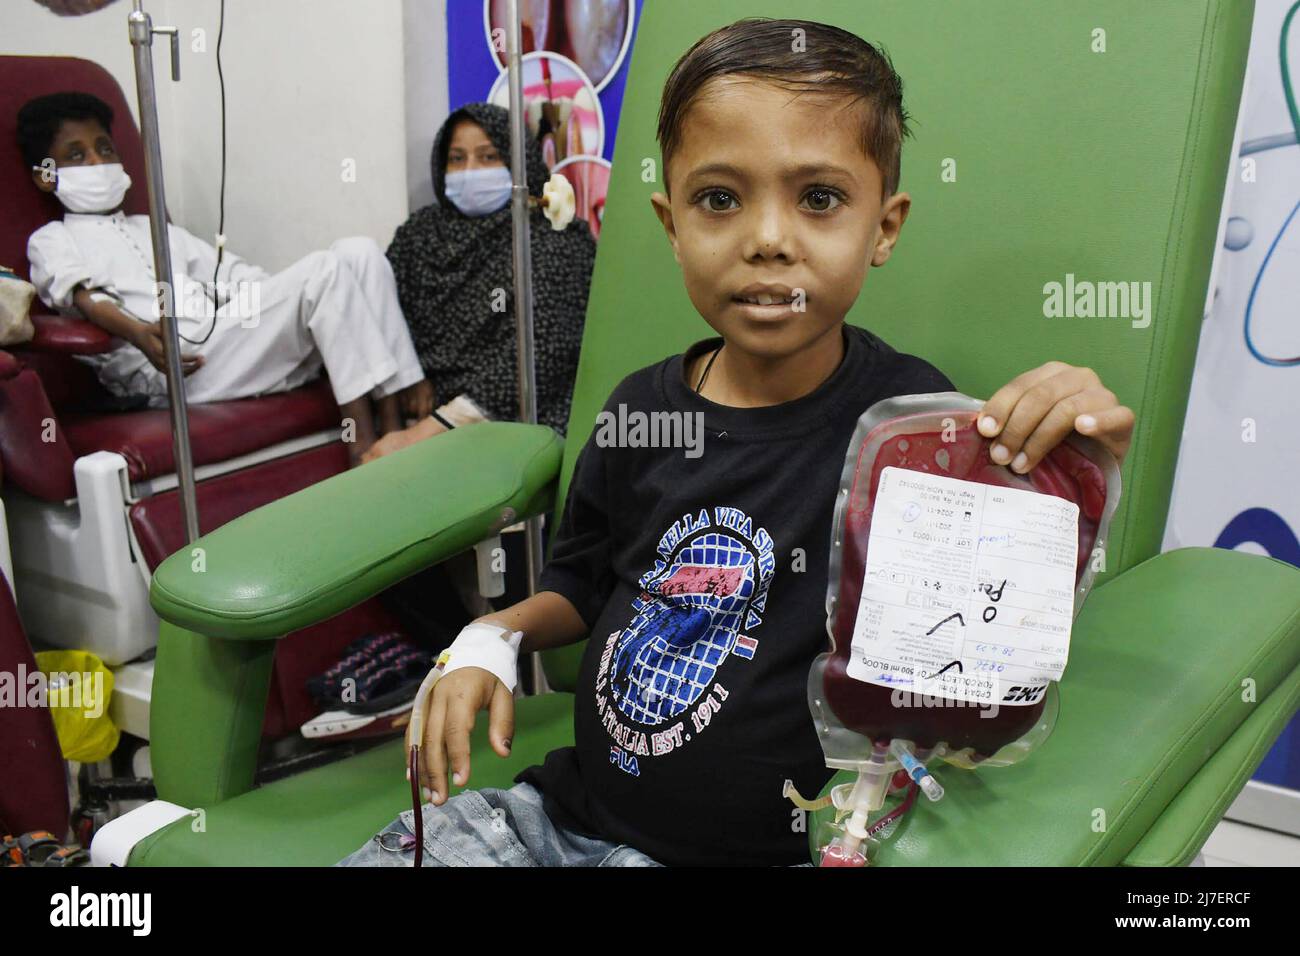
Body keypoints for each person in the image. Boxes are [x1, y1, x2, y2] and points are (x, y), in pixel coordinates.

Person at [338, 17, 1136, 867]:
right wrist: (491, 637)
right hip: (556, 825)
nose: (766, 239)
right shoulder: (640, 408)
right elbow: (580, 581)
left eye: (819, 199)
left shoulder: (915, 432)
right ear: (672, 221)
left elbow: (977, 648)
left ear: (885, 226)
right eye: (719, 199)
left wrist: (1068, 459)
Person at [18, 92, 427, 465]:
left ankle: (403, 404)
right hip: (169, 367)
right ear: (45, 175)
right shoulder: (52, 239)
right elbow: (84, 298)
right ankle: (367, 444)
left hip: (218, 340)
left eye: (104, 149)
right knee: (326, 271)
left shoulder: (155, 229)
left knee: (356, 252)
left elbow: (234, 275)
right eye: (76, 156)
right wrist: (140, 333)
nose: (96, 163)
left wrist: (288, 300)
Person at [363, 101, 595, 462]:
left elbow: (544, 354)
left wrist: (431, 431)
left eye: (489, 157)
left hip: (513, 425)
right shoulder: (419, 236)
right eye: (456, 159)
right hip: (416, 418)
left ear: (520, 164)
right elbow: (383, 316)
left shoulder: (552, 239)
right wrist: (405, 386)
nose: (469, 171)